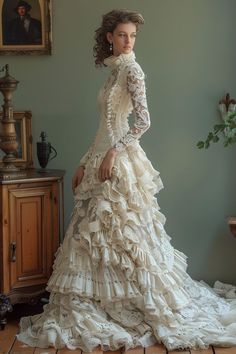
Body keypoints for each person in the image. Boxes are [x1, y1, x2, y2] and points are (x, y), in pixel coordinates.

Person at [17, 9, 236, 353]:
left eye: (132, 36)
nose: (128, 41)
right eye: (122, 35)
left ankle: (134, 303)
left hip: (120, 161)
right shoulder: (113, 72)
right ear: (109, 37)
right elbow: (104, 127)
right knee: (95, 237)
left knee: (126, 235)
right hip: (102, 158)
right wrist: (84, 161)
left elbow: (143, 122)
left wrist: (113, 154)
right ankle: (102, 303)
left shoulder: (133, 70)